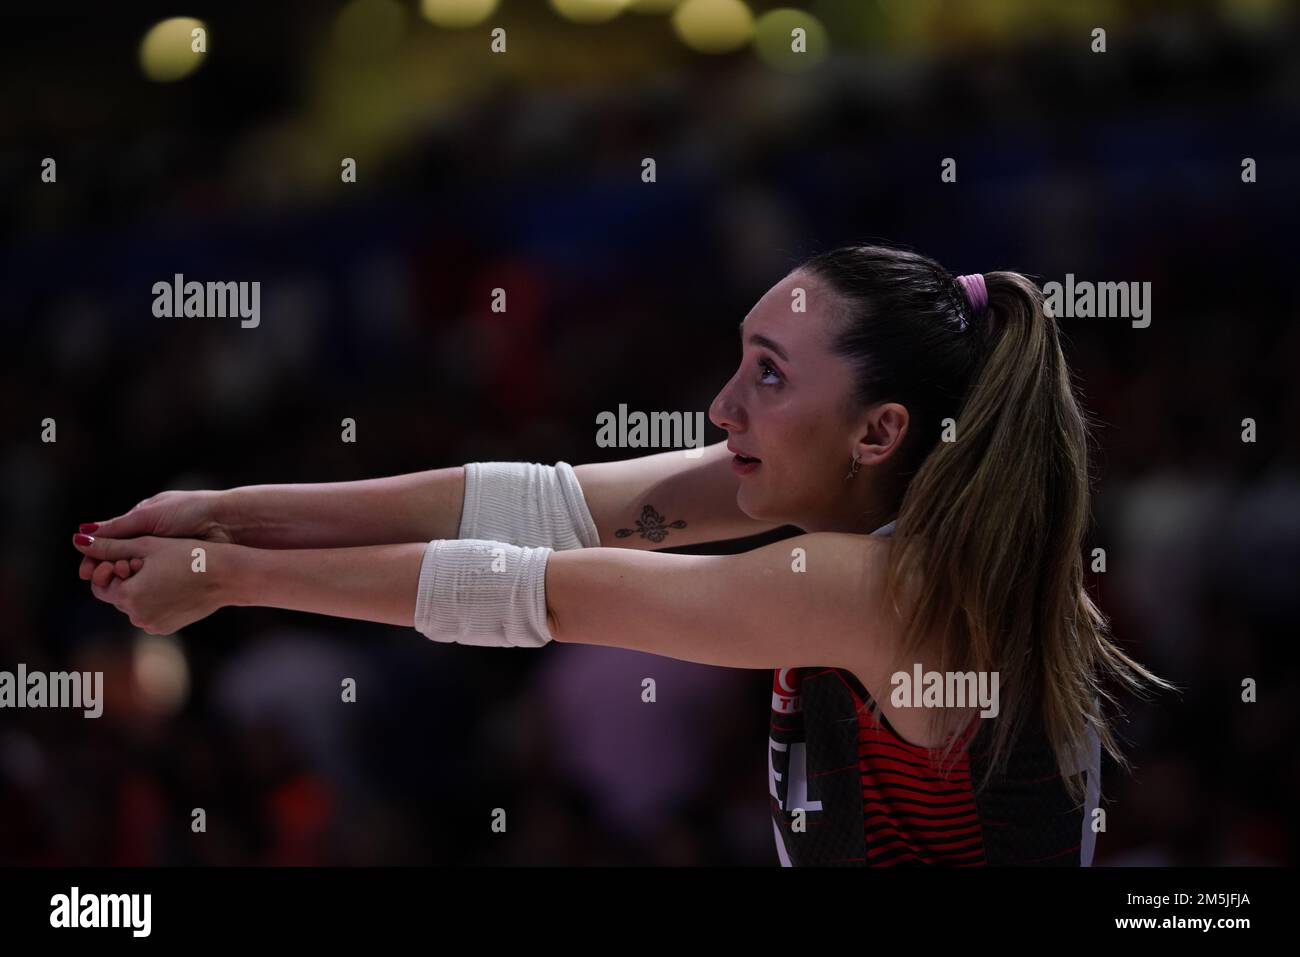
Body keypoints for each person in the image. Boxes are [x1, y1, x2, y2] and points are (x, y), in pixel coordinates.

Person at [72, 242, 1171, 865]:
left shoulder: (888, 592)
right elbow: (533, 510)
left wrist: (232, 581)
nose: (722, 404)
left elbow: (525, 592)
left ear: (877, 434)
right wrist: (223, 513)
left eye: (769, 375)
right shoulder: (873, 528)